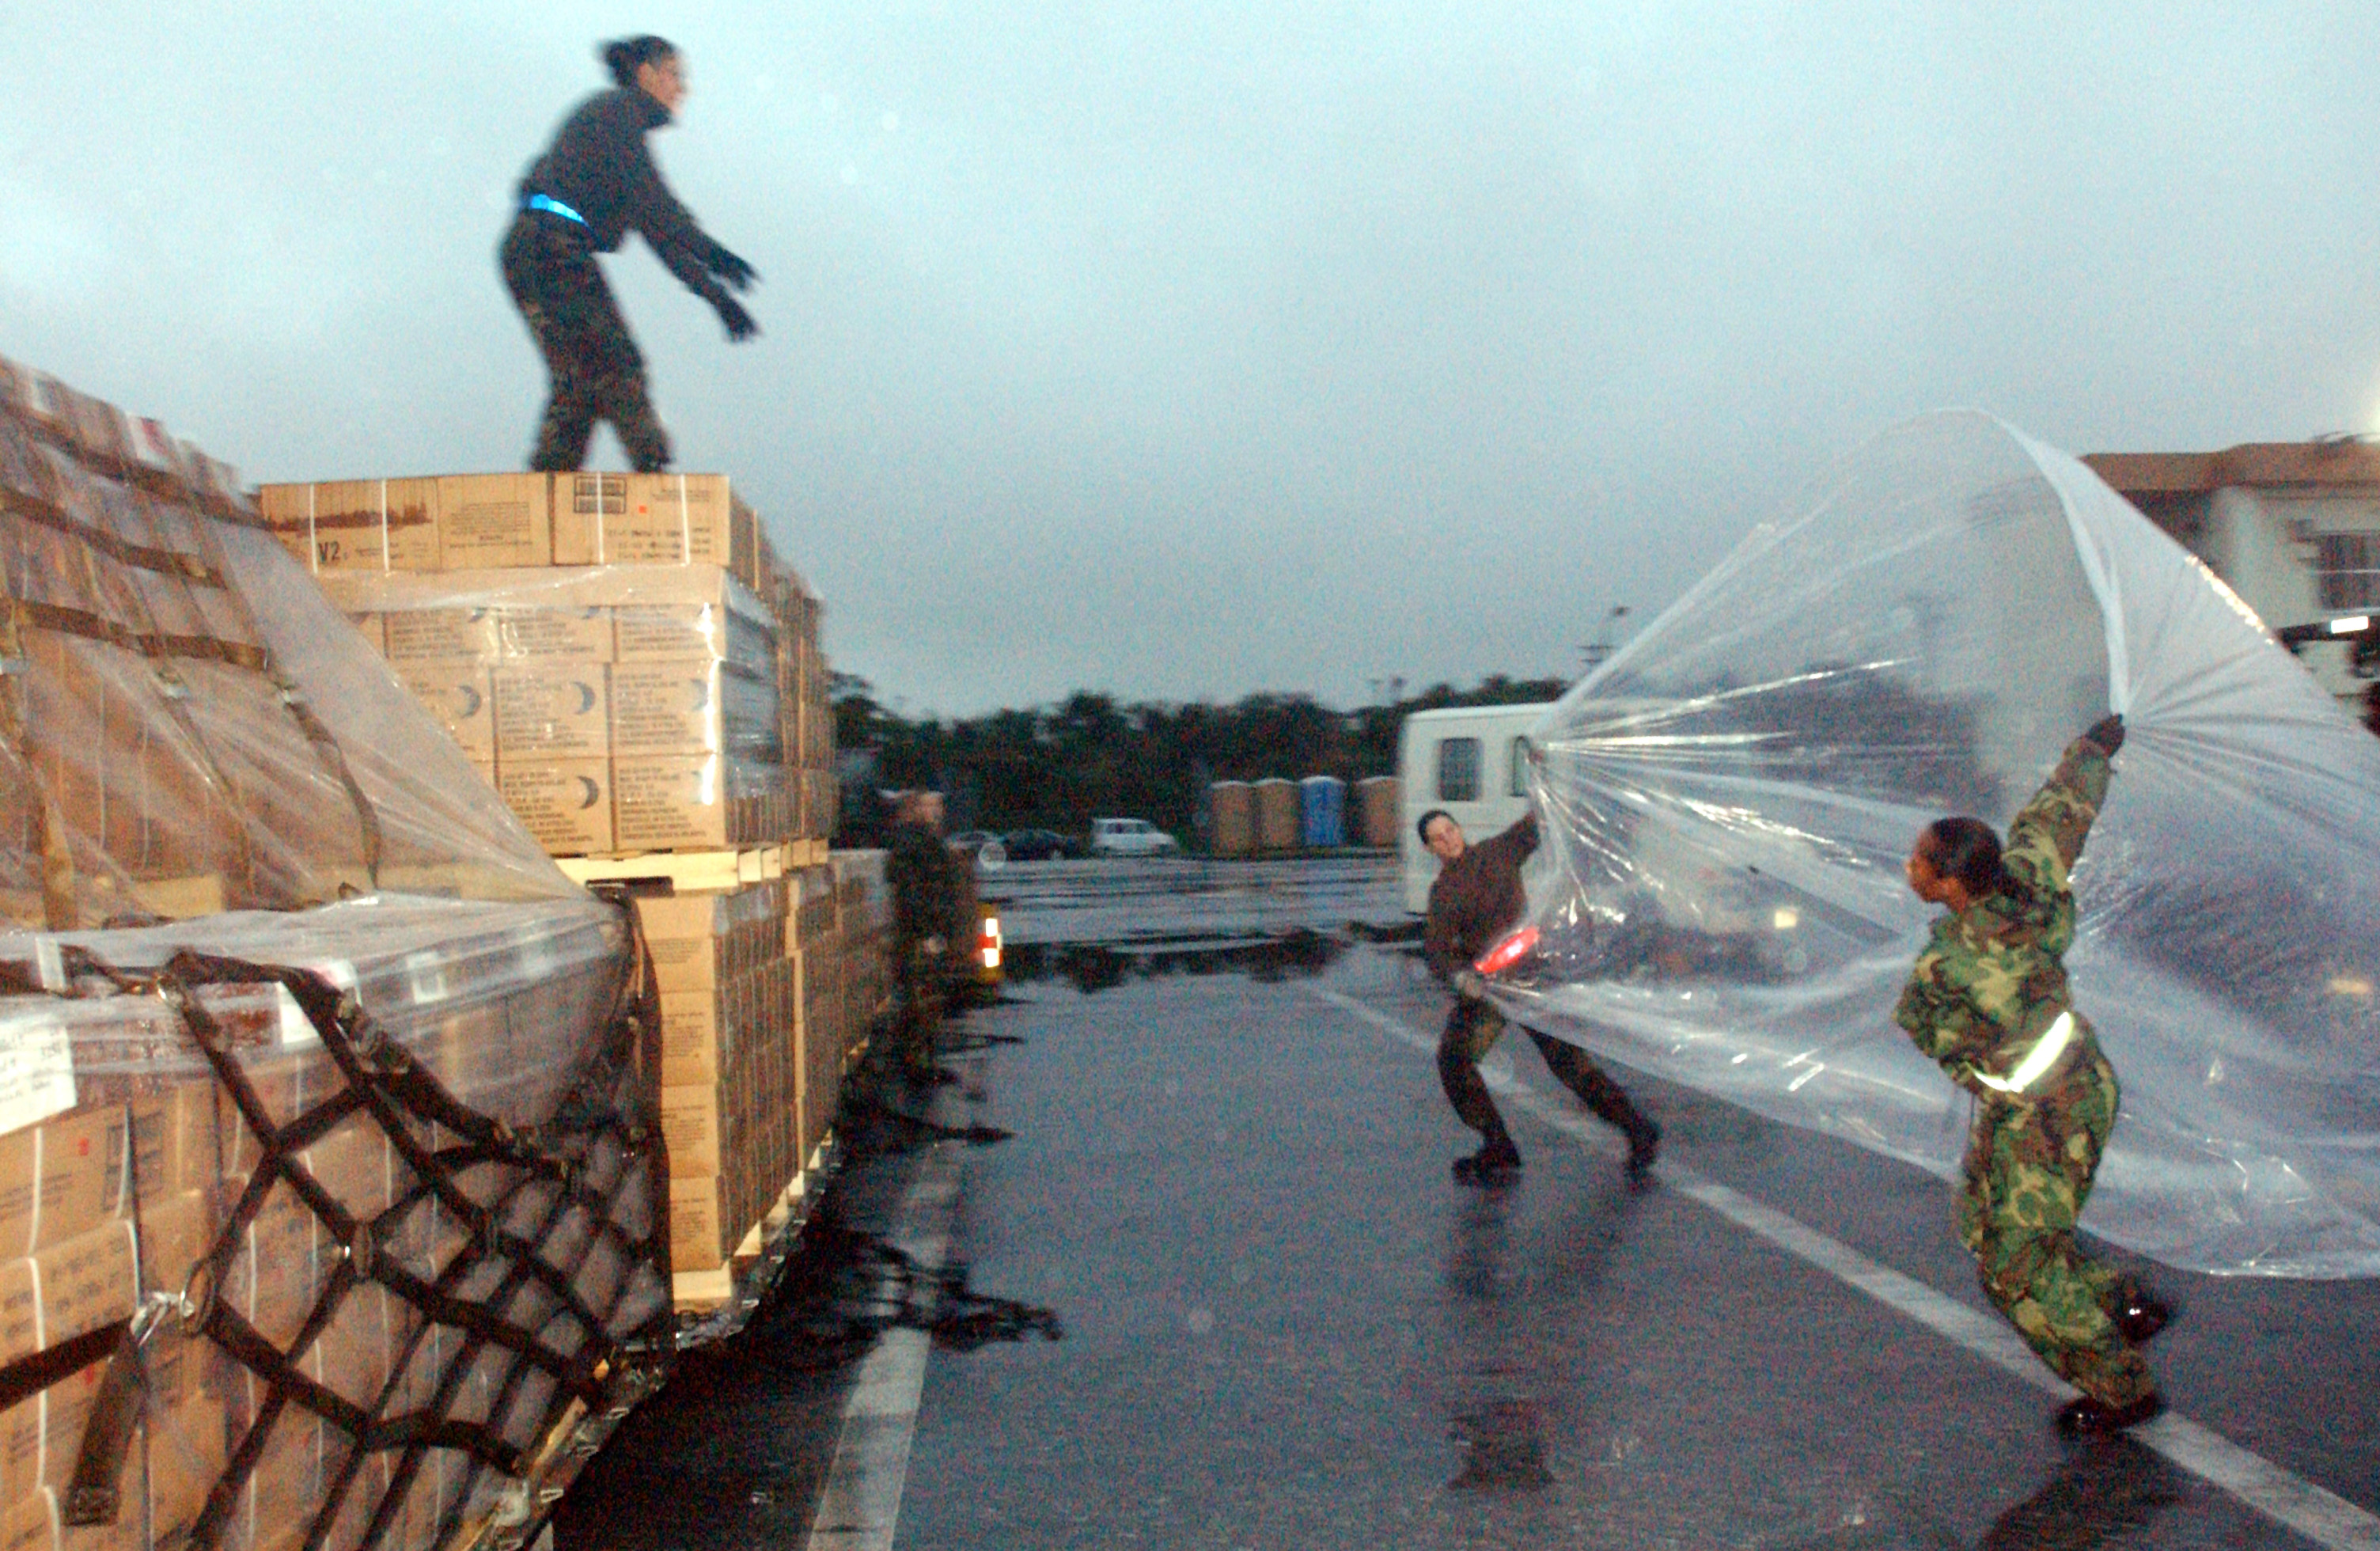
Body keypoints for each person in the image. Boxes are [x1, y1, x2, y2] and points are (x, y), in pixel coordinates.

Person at [1895, 713, 2173, 1436]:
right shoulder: (2025, 879)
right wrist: (2092, 749)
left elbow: (1927, 1027)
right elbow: (2059, 816)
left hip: (2050, 1115)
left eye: (1921, 860)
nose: (1910, 866)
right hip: (2056, 1092)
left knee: (2014, 1270)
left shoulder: (1954, 963)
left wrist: (1936, 1027)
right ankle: (2120, 1304)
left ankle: (2122, 1388)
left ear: (1950, 882)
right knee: (1985, 1228)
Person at [502, 35, 760, 473]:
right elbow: (659, 206)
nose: (683, 89)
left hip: (536, 249)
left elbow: (658, 233)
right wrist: (716, 256)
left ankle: (545, 489)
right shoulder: (617, 112)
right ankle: (654, 479)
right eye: (676, 75)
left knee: (582, 383)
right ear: (646, 74)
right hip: (548, 247)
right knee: (617, 364)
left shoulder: (618, 126)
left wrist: (718, 297)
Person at [1420, 808, 1661, 1186]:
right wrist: (1459, 976)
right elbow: (1436, 950)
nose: (1448, 839)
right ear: (1429, 847)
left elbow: (1537, 823)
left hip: (1530, 976)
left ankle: (1637, 1128)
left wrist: (1545, 776)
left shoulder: (1497, 851)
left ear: (1459, 829)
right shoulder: (1444, 892)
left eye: (1450, 829)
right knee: (1453, 1061)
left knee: (1570, 1064)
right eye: (1438, 837)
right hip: (1488, 989)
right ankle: (1497, 1144)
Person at [886, 789, 964, 1085]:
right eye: (929, 806)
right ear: (918, 810)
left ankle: (924, 1063)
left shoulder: (928, 842)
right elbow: (912, 894)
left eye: (938, 806)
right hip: (919, 937)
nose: (936, 811)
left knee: (928, 1002)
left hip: (927, 934)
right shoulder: (913, 844)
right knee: (921, 1002)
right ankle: (918, 1068)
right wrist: (928, 932)